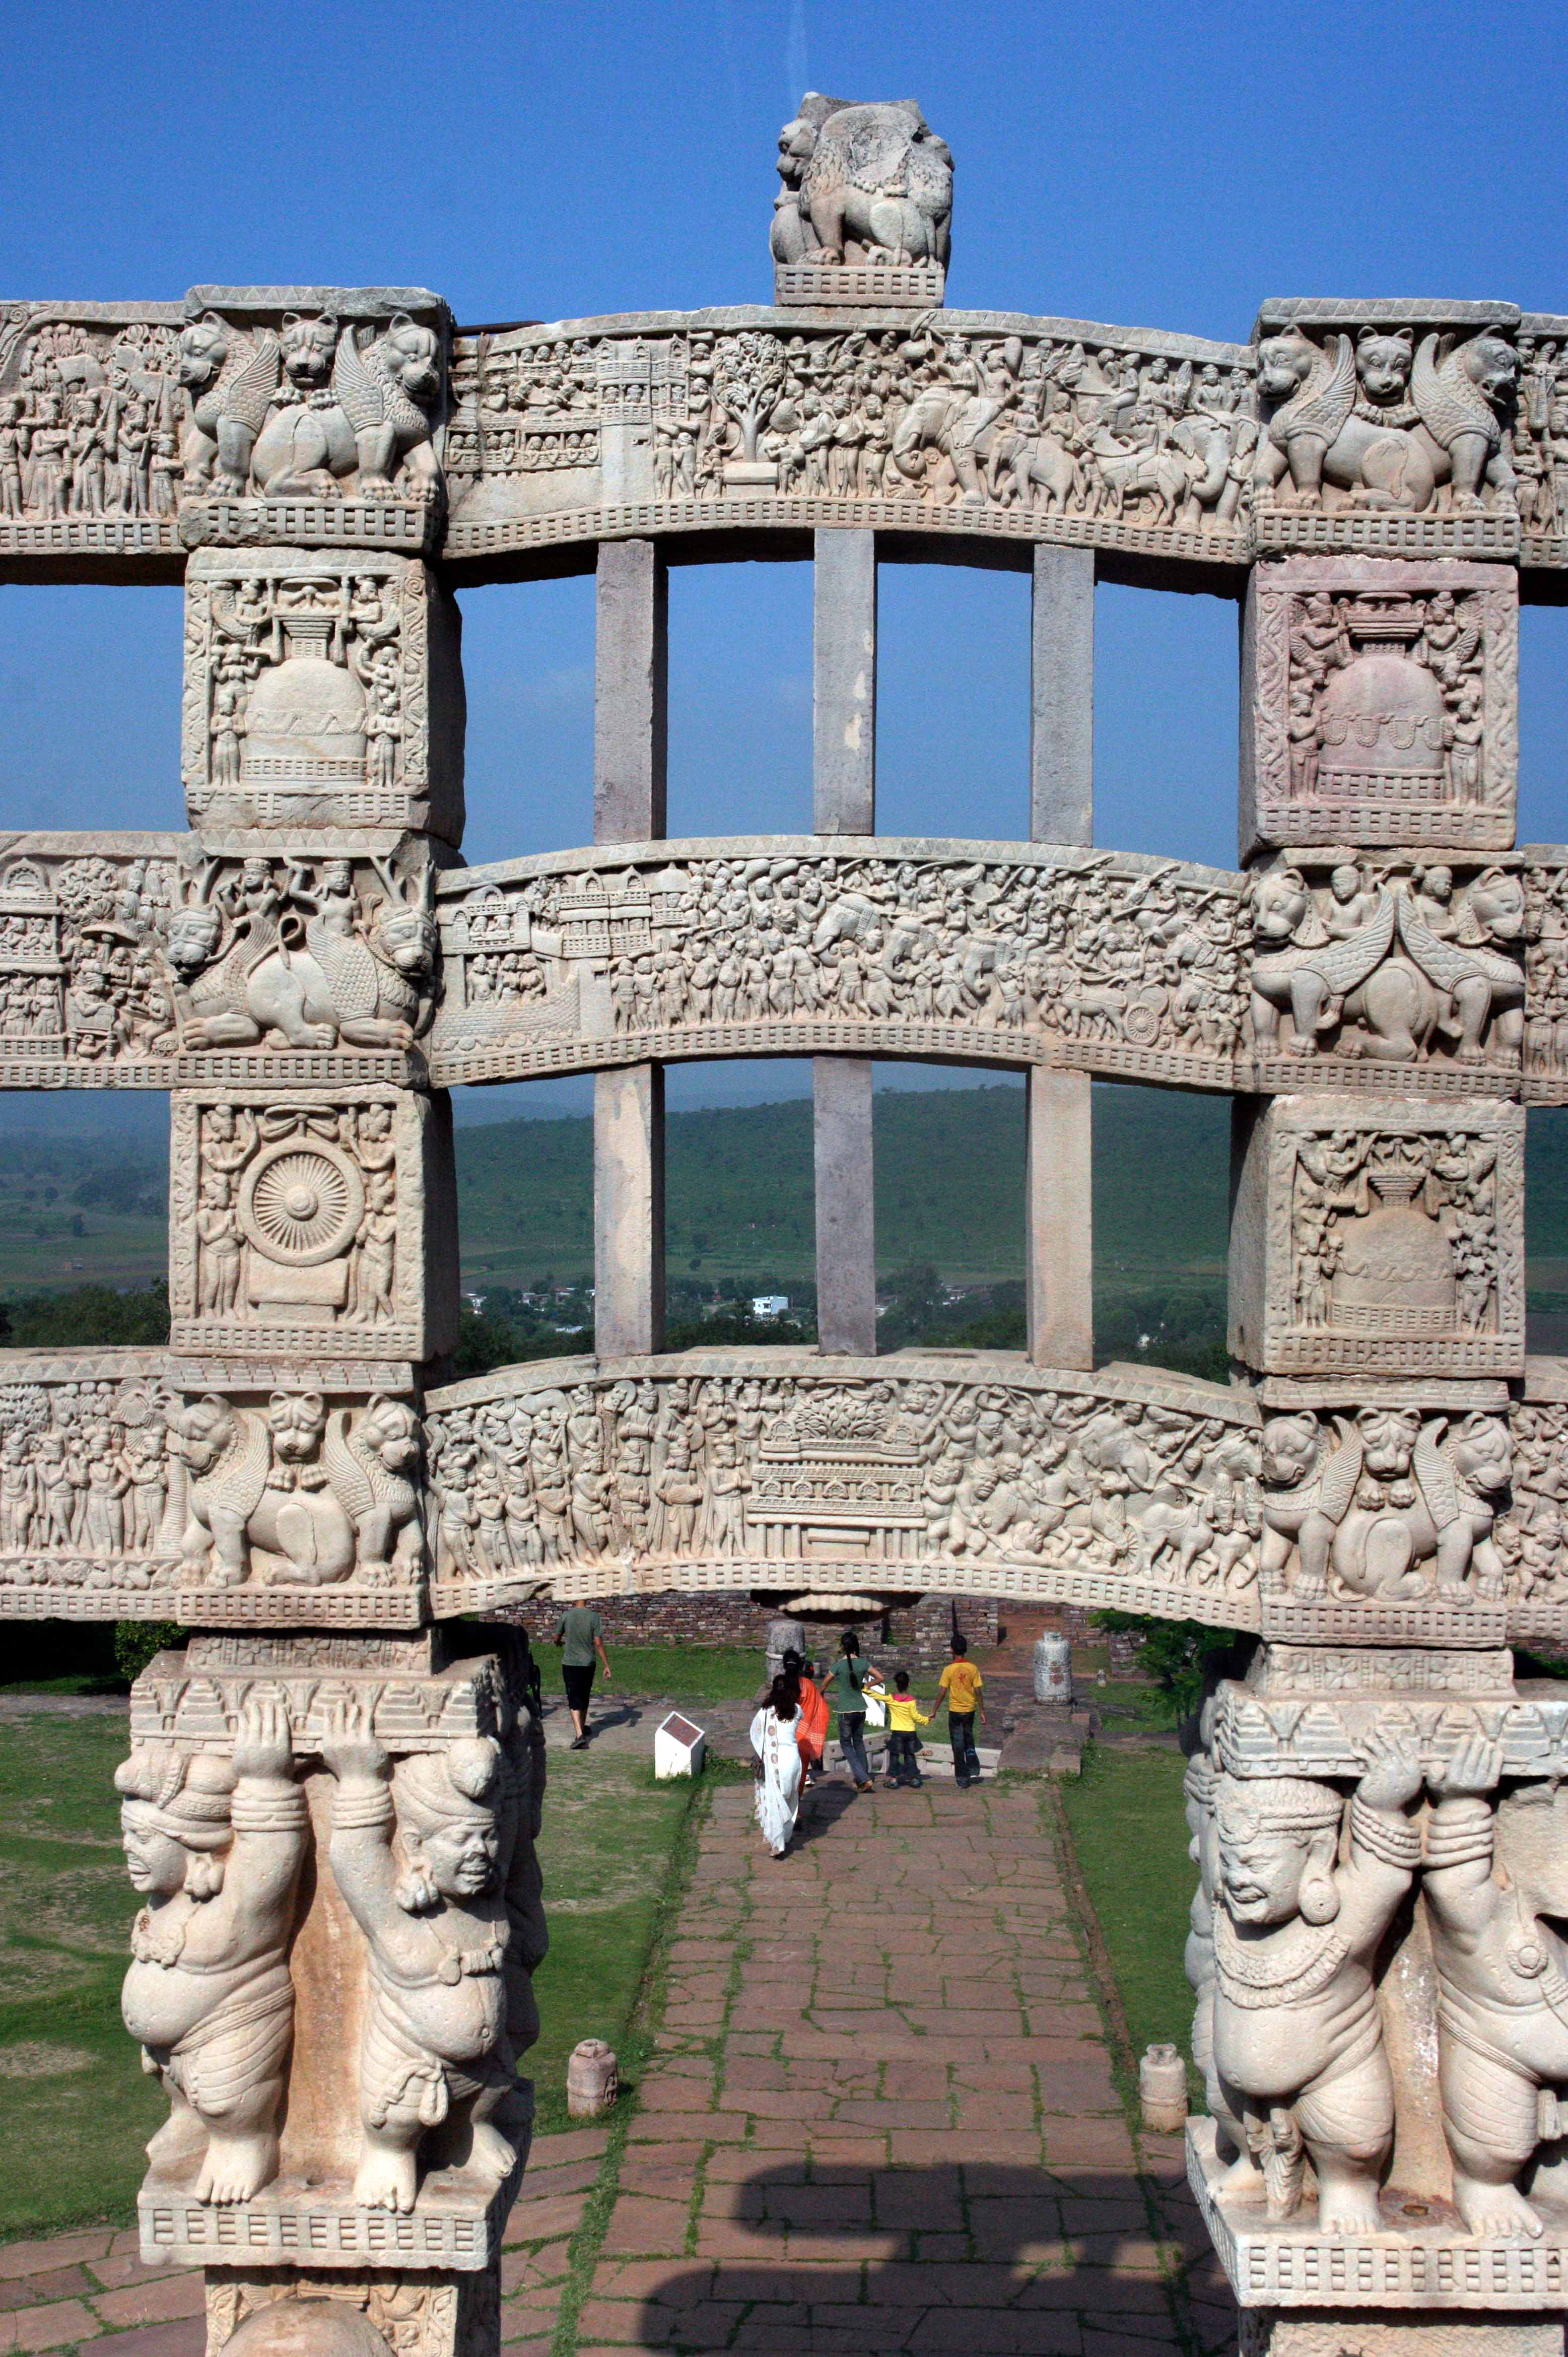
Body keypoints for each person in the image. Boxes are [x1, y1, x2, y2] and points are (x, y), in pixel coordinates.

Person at [751, 1672, 804, 1858]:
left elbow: (755, 1734)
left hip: (775, 1763)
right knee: (789, 1798)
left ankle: (779, 1843)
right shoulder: (797, 1710)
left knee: (775, 1801)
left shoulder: (765, 1713)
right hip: (793, 1760)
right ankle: (786, 1835)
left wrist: (762, 1752)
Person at [552, 1601, 611, 1750]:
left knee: (574, 1697)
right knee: (584, 1695)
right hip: (588, 1663)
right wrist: (606, 1665)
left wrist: (558, 1642)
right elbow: (598, 1642)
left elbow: (556, 1637)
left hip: (571, 1663)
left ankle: (579, 1736)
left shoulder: (566, 1615)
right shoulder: (593, 1617)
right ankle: (582, 1728)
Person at [827, 1630, 875, 1792]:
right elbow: (881, 1677)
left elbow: (825, 1683)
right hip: (861, 1708)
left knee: (846, 1744)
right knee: (859, 1742)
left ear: (843, 1647)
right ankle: (864, 1776)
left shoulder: (839, 1665)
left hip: (845, 1711)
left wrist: (819, 1694)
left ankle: (863, 1778)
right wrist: (867, 1686)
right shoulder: (863, 1663)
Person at [937, 1636, 984, 1788]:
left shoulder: (949, 1670)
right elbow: (978, 1691)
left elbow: (943, 1693)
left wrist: (934, 1710)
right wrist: (982, 1711)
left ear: (952, 1650)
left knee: (957, 1744)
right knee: (969, 1738)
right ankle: (973, 1768)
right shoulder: (973, 1668)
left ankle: (962, 1779)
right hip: (970, 1710)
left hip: (955, 1712)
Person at [883, 1672, 931, 1789]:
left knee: (894, 1754)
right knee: (910, 1755)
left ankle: (894, 1780)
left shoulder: (891, 1698)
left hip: (897, 1731)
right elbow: (915, 1717)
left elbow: (876, 1696)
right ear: (908, 1684)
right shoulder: (911, 1700)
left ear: (896, 1684)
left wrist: (866, 1688)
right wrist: (926, 1720)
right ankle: (914, 1779)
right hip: (910, 1731)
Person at [792, 1652, 830, 1789]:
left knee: (796, 1756)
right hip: (807, 1726)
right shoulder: (812, 1687)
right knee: (803, 1757)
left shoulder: (799, 1684)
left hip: (797, 1725)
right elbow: (822, 1707)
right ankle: (804, 1777)